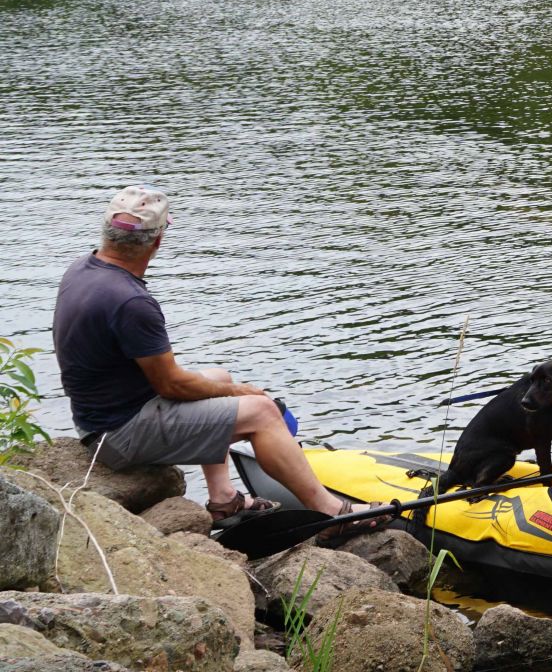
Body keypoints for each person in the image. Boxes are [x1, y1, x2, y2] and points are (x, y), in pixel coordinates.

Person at [51, 185, 385, 537]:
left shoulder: (83, 269)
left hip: (99, 418)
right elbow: (171, 385)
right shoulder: (131, 302)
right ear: (157, 241)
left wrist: (226, 388)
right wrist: (242, 392)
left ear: (107, 231)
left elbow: (165, 380)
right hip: (119, 434)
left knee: (219, 377)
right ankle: (332, 513)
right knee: (261, 412)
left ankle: (223, 499)